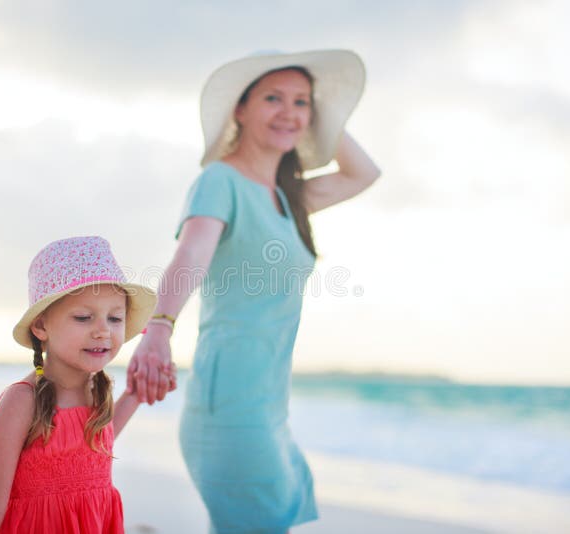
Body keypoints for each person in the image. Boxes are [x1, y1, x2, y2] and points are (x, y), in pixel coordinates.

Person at [127, 50, 381, 532]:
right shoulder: (220, 181)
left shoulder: (289, 196)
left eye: (301, 102)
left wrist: (318, 113)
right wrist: (158, 329)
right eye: (273, 98)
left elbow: (363, 174)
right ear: (239, 110)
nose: (289, 111)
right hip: (230, 406)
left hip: (269, 406)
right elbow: (191, 255)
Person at [0, 236, 176, 534]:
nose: (103, 331)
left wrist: (137, 393)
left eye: (115, 318)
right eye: (83, 317)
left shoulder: (97, 389)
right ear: (41, 326)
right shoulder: (22, 401)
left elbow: (99, 439)